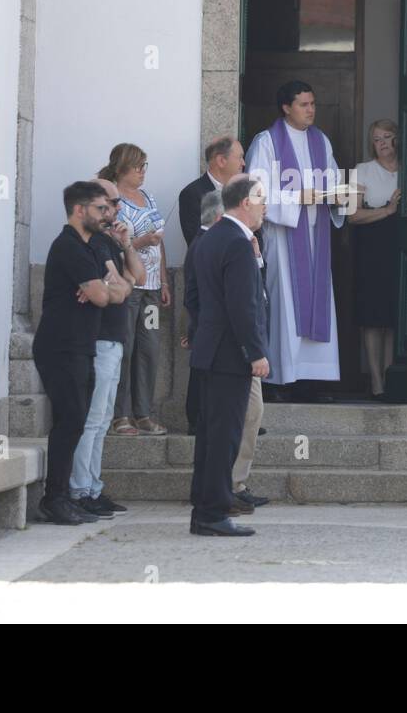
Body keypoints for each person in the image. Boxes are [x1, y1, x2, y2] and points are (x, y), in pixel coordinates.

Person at [245, 80, 345, 398]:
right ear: (286, 107)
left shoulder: (321, 142)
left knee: (317, 303)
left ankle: (314, 380)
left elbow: (332, 180)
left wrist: (344, 196)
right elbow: (256, 191)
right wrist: (295, 197)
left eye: (313, 103)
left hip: (316, 238)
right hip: (284, 237)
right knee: (284, 306)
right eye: (303, 104)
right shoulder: (267, 142)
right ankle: (280, 379)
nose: (311, 109)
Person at [32, 181, 119, 525]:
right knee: (69, 422)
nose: (107, 214)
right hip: (60, 347)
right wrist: (102, 289)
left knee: (78, 421)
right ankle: (55, 498)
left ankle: (65, 495)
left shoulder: (90, 248)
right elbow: (102, 296)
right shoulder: (68, 246)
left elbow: (122, 289)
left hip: (82, 347)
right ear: (79, 210)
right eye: (100, 208)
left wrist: (104, 288)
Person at [188, 174, 270, 537]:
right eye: (260, 197)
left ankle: (203, 507)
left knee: (210, 436)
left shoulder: (209, 237)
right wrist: (255, 353)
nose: (265, 204)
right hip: (228, 356)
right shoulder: (237, 242)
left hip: (210, 351)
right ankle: (213, 513)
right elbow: (242, 306)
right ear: (244, 202)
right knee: (224, 437)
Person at [67, 178, 147, 519]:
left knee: (101, 422)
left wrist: (127, 245)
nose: (116, 210)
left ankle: (93, 486)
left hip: (115, 339)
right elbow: (114, 288)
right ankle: (80, 490)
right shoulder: (95, 244)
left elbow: (138, 277)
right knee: (92, 419)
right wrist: (120, 285)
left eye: (116, 204)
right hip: (98, 340)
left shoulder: (112, 242)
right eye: (110, 204)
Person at [99, 143, 171, 436]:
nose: (142, 172)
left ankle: (144, 412)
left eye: (145, 166)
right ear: (122, 168)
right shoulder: (110, 199)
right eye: (138, 166)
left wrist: (165, 280)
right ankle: (121, 414)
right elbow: (108, 241)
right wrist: (139, 243)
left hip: (151, 289)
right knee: (126, 348)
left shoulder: (148, 197)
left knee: (149, 348)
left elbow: (161, 241)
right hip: (128, 286)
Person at [348, 119, 402, 398]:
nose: (382, 143)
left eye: (387, 137)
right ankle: (376, 381)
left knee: (394, 315)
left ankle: (392, 377)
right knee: (372, 316)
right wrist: (387, 211)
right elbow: (353, 214)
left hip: (401, 245)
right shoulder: (362, 171)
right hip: (371, 246)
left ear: (398, 139)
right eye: (377, 139)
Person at [180, 190, 225, 433]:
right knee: (202, 375)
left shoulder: (207, 241)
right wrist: (198, 327)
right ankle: (196, 421)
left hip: (205, 323)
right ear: (220, 216)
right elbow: (192, 294)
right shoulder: (203, 243)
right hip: (206, 323)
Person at [178, 136, 244, 247]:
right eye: (240, 157)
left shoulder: (243, 191)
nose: (243, 163)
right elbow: (197, 243)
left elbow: (257, 237)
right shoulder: (192, 194)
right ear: (221, 161)